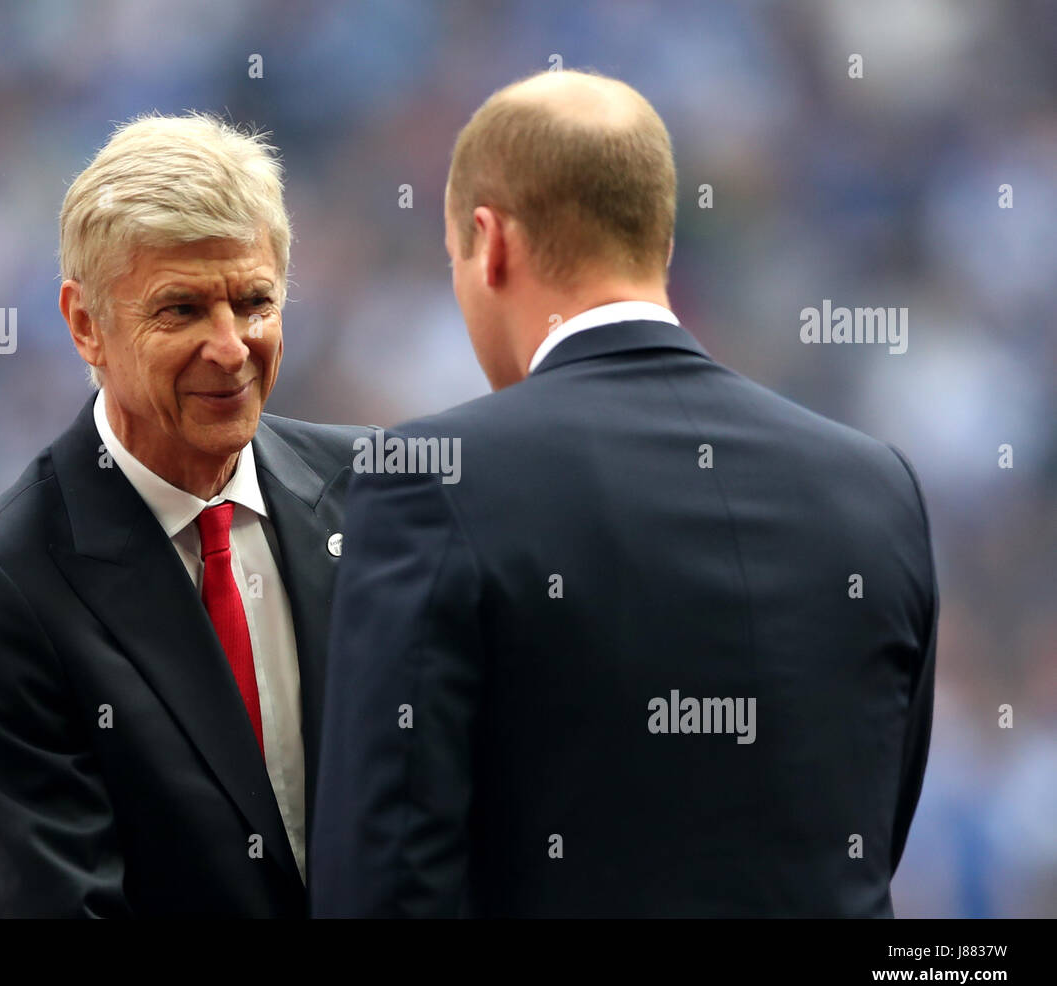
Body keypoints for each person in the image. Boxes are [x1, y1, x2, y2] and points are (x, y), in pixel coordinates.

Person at [310, 70, 937, 917]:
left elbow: (383, 883)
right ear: (663, 246)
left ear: (489, 243)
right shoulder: (877, 488)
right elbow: (873, 827)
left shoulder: (428, 478)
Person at [0, 112, 368, 916]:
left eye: (255, 301)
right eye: (181, 310)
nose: (231, 346)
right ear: (86, 324)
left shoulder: (381, 500)